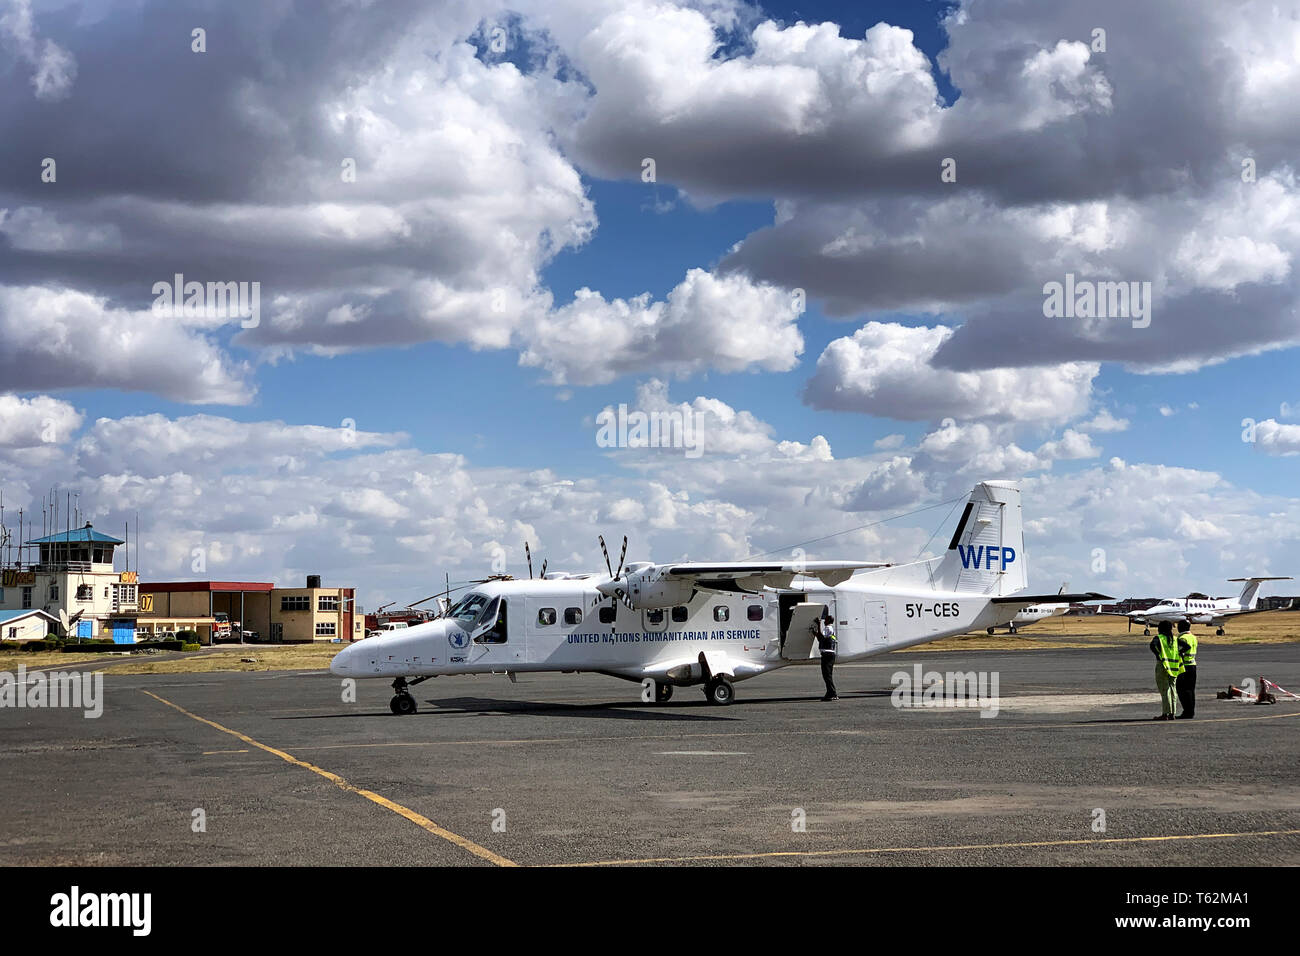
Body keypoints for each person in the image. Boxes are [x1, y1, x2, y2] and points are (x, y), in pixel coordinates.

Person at [1149, 620, 1183, 720]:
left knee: (1165, 690)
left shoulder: (1159, 638)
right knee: (1173, 689)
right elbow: (1186, 646)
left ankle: (1165, 713)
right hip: (1174, 666)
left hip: (1163, 665)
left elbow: (1152, 646)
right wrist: (1180, 653)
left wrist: (1158, 655)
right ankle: (1173, 713)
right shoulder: (1175, 639)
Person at [814, 607, 838, 701]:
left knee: (827, 675)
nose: (824, 621)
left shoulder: (828, 628)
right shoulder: (830, 629)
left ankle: (832, 693)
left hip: (827, 655)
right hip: (829, 655)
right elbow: (821, 638)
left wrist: (818, 624)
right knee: (827, 675)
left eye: (825, 619)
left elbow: (821, 637)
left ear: (828, 620)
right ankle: (830, 693)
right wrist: (815, 634)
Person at [1175, 619, 1197, 719]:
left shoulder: (1183, 638)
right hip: (1193, 665)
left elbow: (1184, 649)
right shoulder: (1193, 637)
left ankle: (1187, 711)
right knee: (1191, 690)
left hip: (1184, 666)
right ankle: (1191, 711)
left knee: (1182, 690)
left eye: (1179, 626)